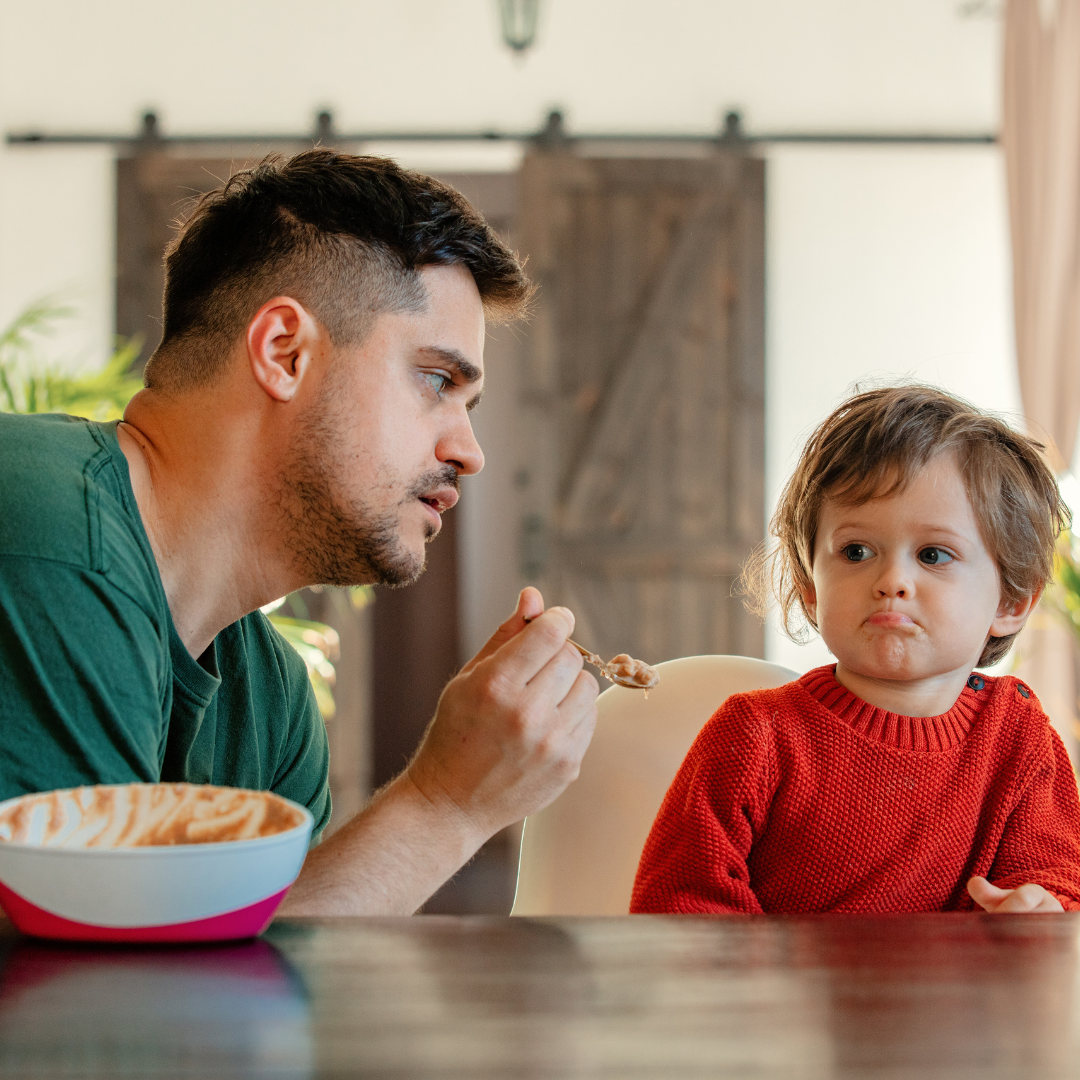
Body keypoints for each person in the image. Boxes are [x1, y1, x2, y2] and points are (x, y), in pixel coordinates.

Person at [0, 150, 599, 915]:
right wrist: (446, 804)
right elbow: (85, 1012)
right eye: (437, 381)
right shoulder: (47, 540)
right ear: (284, 352)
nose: (468, 453)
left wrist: (451, 799)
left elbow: (259, 987)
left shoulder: (270, 705)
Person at [631, 385, 1080, 915]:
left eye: (933, 554)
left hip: (960, 999)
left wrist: (1039, 909)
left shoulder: (1020, 737)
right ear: (810, 587)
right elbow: (679, 907)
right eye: (856, 551)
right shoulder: (753, 735)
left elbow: (1057, 882)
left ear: (1011, 601)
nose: (892, 580)